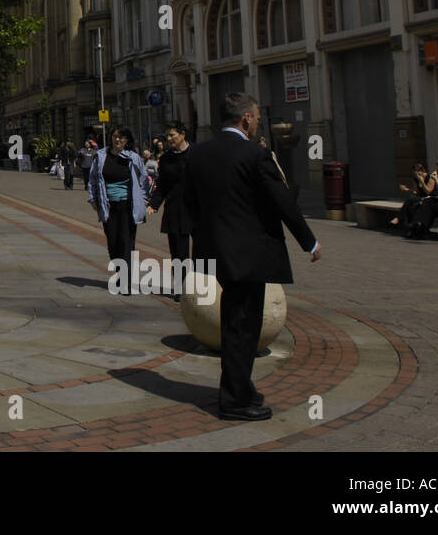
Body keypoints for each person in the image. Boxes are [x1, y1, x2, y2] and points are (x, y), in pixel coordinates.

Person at [183, 92, 320, 422]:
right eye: (257, 118)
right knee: (243, 328)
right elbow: (282, 201)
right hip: (249, 255)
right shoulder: (255, 154)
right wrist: (309, 241)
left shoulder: (198, 154)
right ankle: (234, 400)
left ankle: (240, 387)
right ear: (246, 119)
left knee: (235, 323)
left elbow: (190, 205)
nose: (258, 123)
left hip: (215, 252)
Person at [86, 127, 151, 294]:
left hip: (128, 205)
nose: (117, 140)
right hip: (109, 206)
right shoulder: (101, 156)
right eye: (115, 136)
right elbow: (93, 179)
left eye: (121, 138)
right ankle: (120, 274)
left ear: (127, 140)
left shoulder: (133, 158)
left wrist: (143, 200)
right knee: (113, 242)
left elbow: (144, 180)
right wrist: (93, 199)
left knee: (126, 242)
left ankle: (126, 282)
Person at [147, 121, 193, 293]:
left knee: (202, 251)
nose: (169, 138)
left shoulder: (196, 154)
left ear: (183, 134)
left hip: (195, 209)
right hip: (175, 208)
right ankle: (182, 288)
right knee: (178, 252)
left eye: (172, 135)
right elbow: (163, 184)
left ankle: (201, 285)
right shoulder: (166, 158)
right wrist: (154, 204)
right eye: (167, 135)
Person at [388, 162, 430, 229]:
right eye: (415, 172)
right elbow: (416, 192)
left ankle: (398, 218)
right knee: (411, 205)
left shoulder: (429, 177)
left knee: (410, 200)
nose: (417, 173)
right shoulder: (416, 178)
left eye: (419, 171)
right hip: (420, 197)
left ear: (423, 171)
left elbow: (428, 192)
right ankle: (410, 227)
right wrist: (406, 189)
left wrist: (422, 181)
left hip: (428, 197)